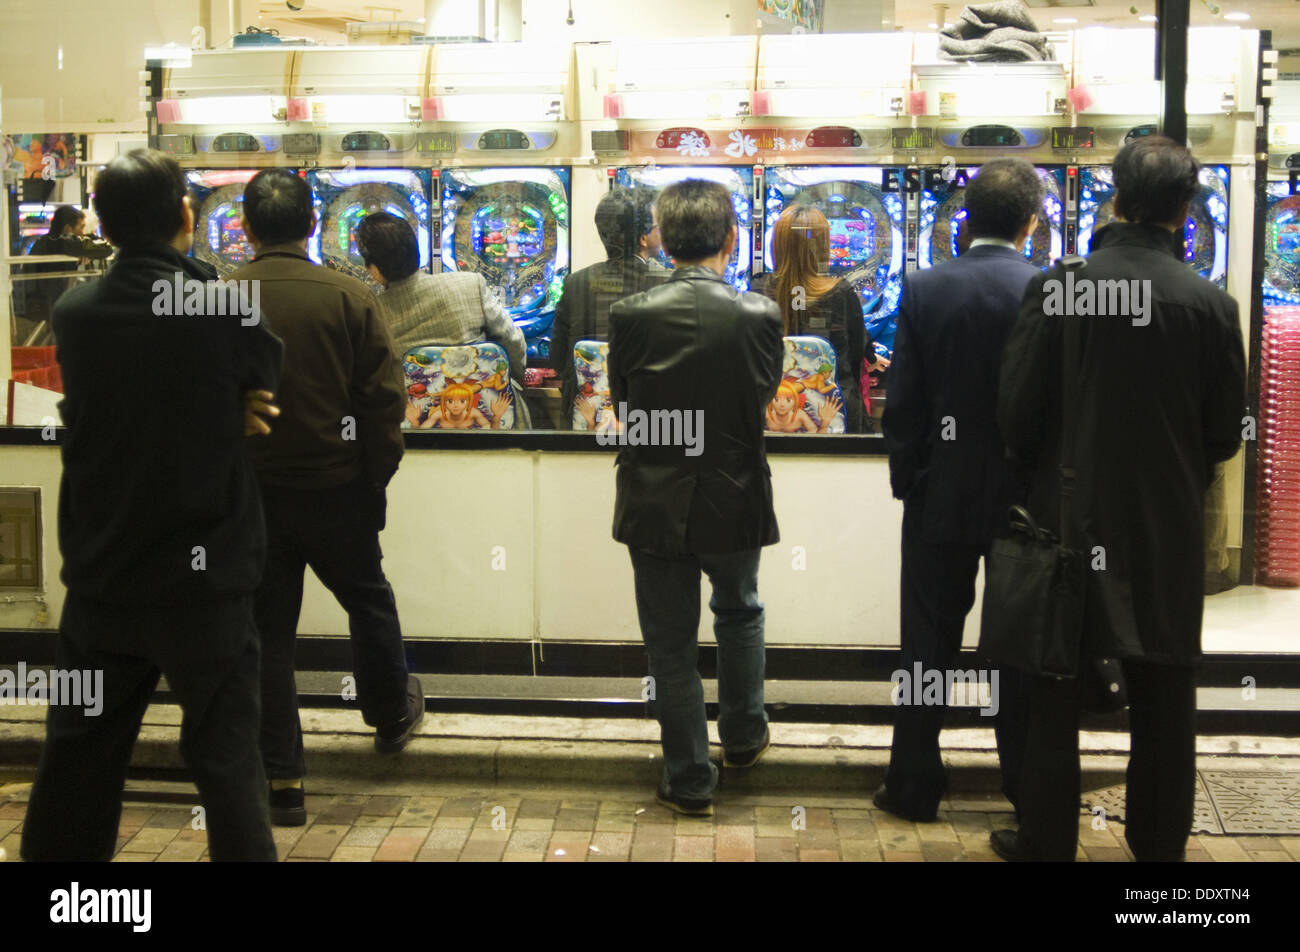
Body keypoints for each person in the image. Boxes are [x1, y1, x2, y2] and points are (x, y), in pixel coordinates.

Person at [21, 149, 282, 862]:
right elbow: (263, 374)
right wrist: (229, 407)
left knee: (77, 759)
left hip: (104, 575)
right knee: (227, 758)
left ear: (102, 223)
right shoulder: (218, 301)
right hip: (206, 579)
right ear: (185, 216)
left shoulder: (77, 311)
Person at [994, 137, 1247, 862]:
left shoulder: (1061, 285)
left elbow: (1016, 412)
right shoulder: (1209, 305)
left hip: (1065, 521)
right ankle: (1157, 850)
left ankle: (1045, 841)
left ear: (1116, 197)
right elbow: (1224, 434)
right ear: (1185, 210)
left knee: (1052, 694)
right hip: (1163, 528)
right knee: (1166, 701)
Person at [230, 170, 424, 827]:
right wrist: (374, 479)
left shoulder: (217, 299)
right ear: (314, 225)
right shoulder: (349, 296)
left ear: (247, 228)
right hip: (338, 488)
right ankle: (391, 714)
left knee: (267, 632)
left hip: (253, 497)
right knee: (368, 598)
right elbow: (383, 403)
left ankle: (283, 781)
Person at [607, 179, 784, 816]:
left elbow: (625, 407)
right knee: (740, 611)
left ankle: (688, 779)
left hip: (653, 498)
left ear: (661, 239)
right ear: (731, 238)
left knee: (669, 644)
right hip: (735, 493)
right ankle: (743, 738)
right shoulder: (762, 315)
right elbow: (758, 404)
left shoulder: (630, 315)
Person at [876, 158, 1044, 824]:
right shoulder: (1049, 290)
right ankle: (1026, 794)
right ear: (1032, 223)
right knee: (1016, 653)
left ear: (965, 221)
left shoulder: (925, 289)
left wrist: (910, 480)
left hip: (939, 495)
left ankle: (914, 787)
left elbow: (903, 404)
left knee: (926, 647)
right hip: (1024, 507)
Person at [356, 211, 530, 428]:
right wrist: (513, 378)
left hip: (416, 440)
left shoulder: (371, 312)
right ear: (415, 250)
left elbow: (369, 385)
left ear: (374, 269)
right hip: (497, 434)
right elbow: (513, 342)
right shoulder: (469, 284)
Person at [751, 204, 877, 433]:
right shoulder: (840, 292)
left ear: (776, 245)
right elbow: (859, 353)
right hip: (836, 413)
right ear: (822, 246)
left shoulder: (759, 289)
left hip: (769, 415)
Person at [551, 186, 668, 429]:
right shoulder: (667, 283)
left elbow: (558, 357)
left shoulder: (576, 283)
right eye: (658, 226)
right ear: (643, 238)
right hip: (653, 424)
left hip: (585, 418)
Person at [16, 205, 111, 345]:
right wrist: (87, 240)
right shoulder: (66, 243)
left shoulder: (41, 242)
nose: (82, 232)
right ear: (68, 229)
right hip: (50, 303)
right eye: (80, 227)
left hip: (30, 302)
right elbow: (105, 249)